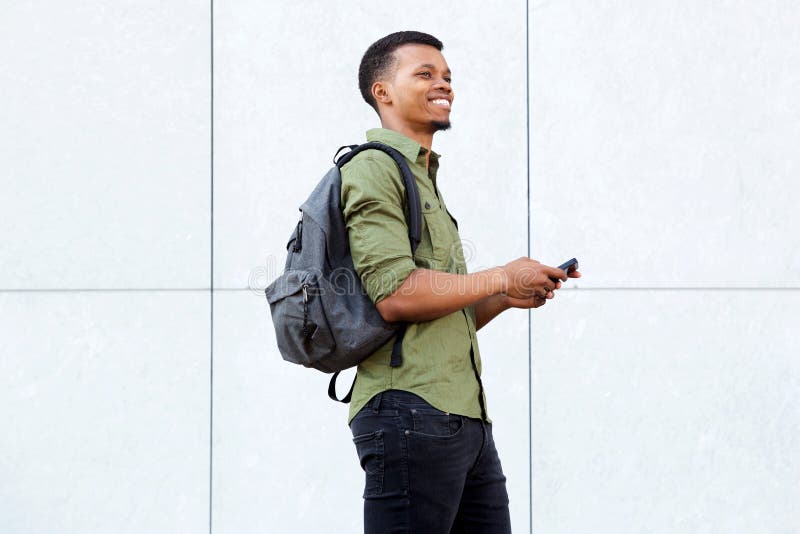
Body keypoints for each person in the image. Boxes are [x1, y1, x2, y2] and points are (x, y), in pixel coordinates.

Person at [340, 31, 581, 533]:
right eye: (424, 74)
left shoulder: (421, 177)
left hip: (463, 419)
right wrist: (499, 274)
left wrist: (504, 296)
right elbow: (397, 294)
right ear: (381, 91)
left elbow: (438, 314)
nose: (442, 84)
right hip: (409, 411)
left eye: (446, 75)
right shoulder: (373, 170)